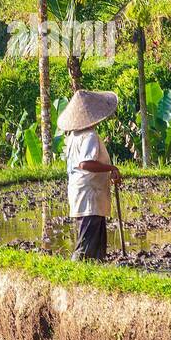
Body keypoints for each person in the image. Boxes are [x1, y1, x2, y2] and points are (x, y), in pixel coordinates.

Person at [58, 89, 121, 261]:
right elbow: (86, 164)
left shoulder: (73, 136)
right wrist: (111, 168)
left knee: (96, 238)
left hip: (83, 192)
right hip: (89, 193)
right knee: (86, 241)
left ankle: (96, 266)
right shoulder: (90, 136)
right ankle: (76, 269)